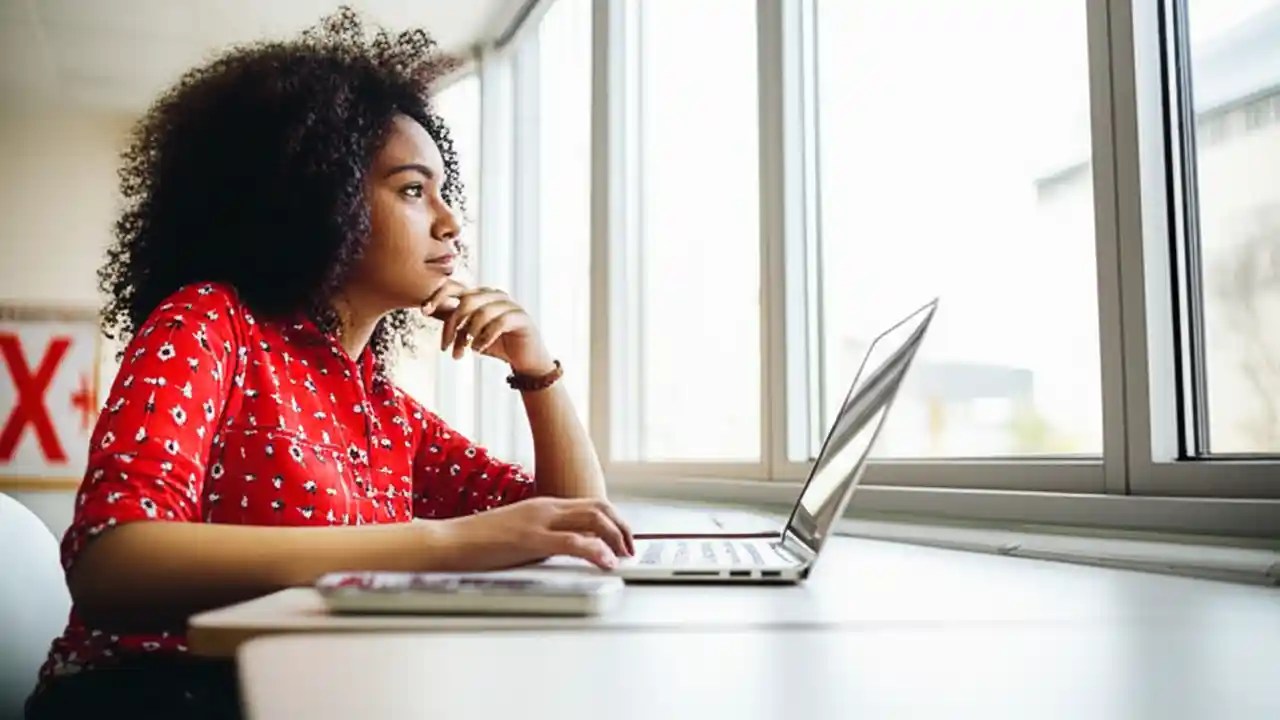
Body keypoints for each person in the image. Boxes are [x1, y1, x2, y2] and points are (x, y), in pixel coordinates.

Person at [24, 8, 632, 719]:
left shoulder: (381, 404)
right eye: (412, 189)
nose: (450, 220)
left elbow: (575, 528)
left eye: (443, 191)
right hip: (153, 696)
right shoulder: (211, 323)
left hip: (312, 689)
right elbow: (111, 563)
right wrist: (440, 543)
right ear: (321, 197)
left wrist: (537, 370)